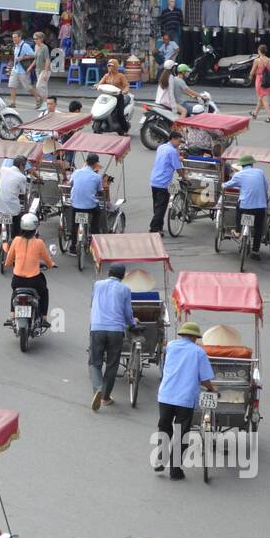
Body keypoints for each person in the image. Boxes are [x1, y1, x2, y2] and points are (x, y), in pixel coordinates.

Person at [154, 321, 219, 480]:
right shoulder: (198, 352)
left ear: (182, 334)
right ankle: (175, 471)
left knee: (164, 427)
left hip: (166, 395)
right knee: (181, 434)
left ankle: (161, 458)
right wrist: (212, 389)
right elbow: (205, 379)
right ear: (194, 337)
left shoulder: (171, 346)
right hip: (185, 399)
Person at [89, 262, 139, 412]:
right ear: (123, 276)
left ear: (109, 273)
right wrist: (132, 323)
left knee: (95, 363)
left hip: (97, 328)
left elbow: (92, 304)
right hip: (116, 331)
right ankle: (105, 397)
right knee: (112, 364)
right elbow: (127, 311)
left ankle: (98, 388)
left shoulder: (97, 285)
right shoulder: (125, 289)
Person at [5, 213, 55, 325]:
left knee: (15, 292)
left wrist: (13, 263)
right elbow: (48, 261)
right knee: (44, 292)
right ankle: (44, 318)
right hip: (34, 281)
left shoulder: (16, 240)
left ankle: (12, 316)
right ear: (35, 228)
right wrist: (51, 264)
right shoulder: (39, 243)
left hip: (17, 280)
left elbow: (8, 262)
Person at [222, 155, 270, 259]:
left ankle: (238, 231)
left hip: (245, 207)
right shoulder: (260, 172)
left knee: (238, 207)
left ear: (242, 166)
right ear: (252, 164)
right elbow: (266, 187)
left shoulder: (239, 175)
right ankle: (256, 251)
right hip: (260, 207)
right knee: (258, 228)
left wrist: (222, 185)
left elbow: (227, 185)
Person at [149, 129, 184, 233]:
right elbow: (178, 168)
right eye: (178, 141)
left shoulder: (162, 147)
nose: (179, 144)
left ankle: (159, 226)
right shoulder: (172, 151)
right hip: (163, 183)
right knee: (161, 207)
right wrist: (185, 177)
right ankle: (154, 228)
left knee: (157, 205)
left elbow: (170, 159)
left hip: (154, 180)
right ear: (173, 139)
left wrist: (177, 153)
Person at [0, 156, 30, 244]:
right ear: (21, 166)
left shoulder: (4, 169)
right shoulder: (21, 177)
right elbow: (23, 191)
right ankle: (15, 240)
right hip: (11, 204)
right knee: (16, 221)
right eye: (24, 166)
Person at [69, 152, 107, 236]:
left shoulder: (76, 172)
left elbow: (71, 184)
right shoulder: (97, 177)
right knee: (97, 214)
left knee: (74, 225)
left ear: (86, 161)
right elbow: (99, 191)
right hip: (90, 206)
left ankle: (72, 247)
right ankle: (94, 234)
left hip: (75, 204)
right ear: (96, 164)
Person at [98, 58, 132, 129]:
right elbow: (100, 84)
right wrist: (96, 86)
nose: (109, 67)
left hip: (118, 97)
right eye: (108, 65)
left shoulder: (120, 75)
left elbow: (126, 85)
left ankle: (125, 129)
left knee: (120, 114)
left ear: (116, 66)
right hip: (108, 96)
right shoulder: (106, 76)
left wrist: (125, 91)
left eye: (111, 65)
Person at [8, 31, 38, 108]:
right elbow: (16, 57)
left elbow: (34, 55)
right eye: (13, 37)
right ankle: (12, 103)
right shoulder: (16, 45)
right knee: (12, 85)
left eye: (15, 37)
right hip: (15, 69)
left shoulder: (25, 46)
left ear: (19, 37)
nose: (13, 39)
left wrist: (23, 57)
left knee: (28, 87)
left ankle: (39, 99)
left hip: (23, 70)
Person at [248, 44, 270, 123]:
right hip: (267, 81)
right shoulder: (269, 60)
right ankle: (255, 113)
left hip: (260, 81)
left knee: (264, 100)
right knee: (261, 98)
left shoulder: (257, 60)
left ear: (259, 51)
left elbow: (252, 71)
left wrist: (250, 76)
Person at [32, 31, 52, 102]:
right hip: (38, 69)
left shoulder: (45, 47)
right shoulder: (36, 46)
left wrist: (46, 72)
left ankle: (43, 101)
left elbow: (47, 59)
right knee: (44, 86)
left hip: (44, 69)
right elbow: (35, 59)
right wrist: (30, 67)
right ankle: (45, 102)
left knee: (39, 86)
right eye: (34, 39)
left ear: (41, 39)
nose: (35, 40)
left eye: (36, 39)